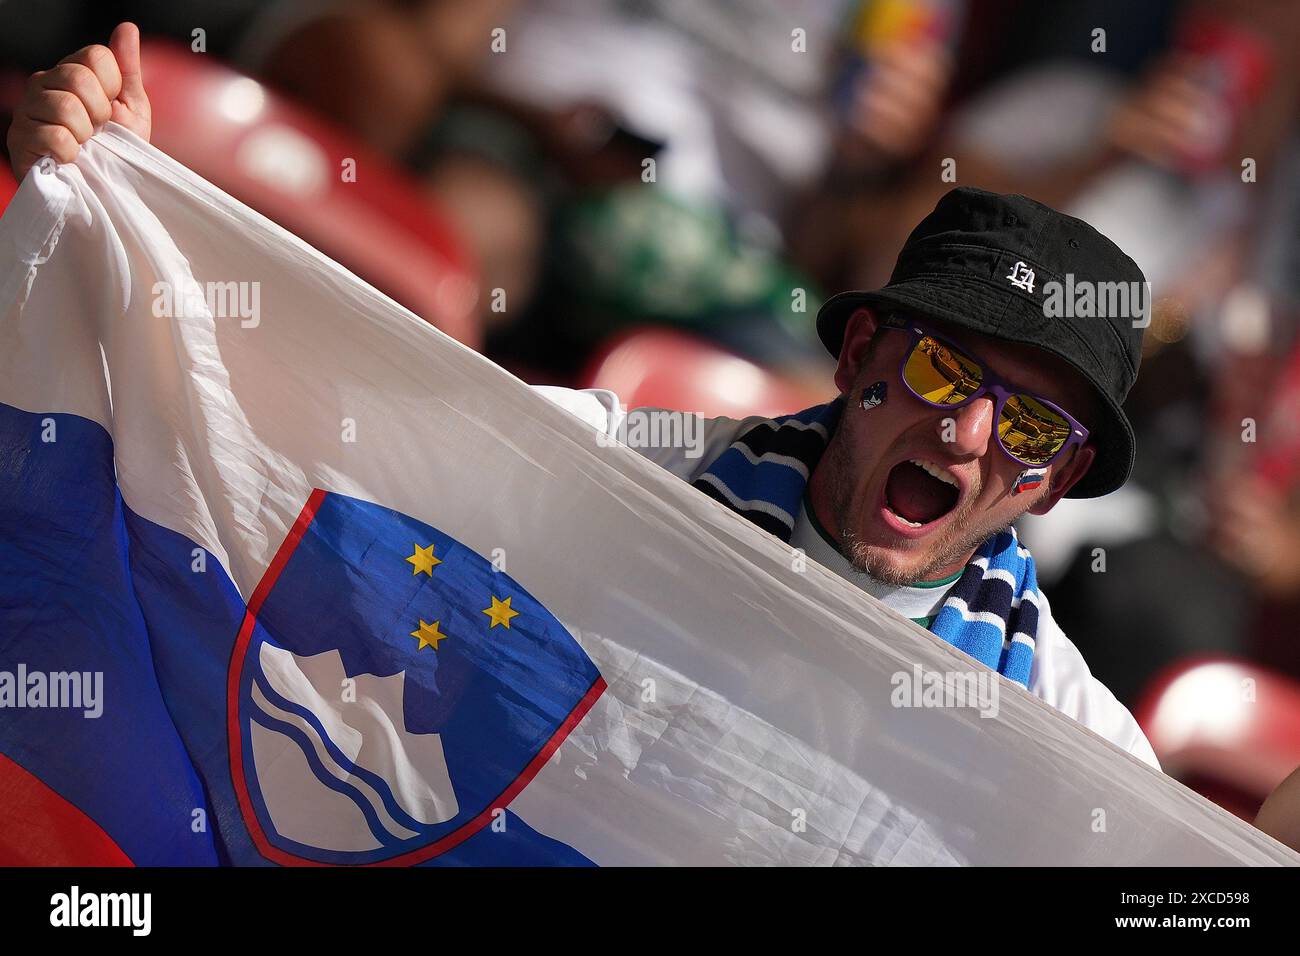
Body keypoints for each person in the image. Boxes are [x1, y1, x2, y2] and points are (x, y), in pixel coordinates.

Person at [6, 23, 1160, 769]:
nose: (963, 431)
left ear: (1053, 481)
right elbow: (294, 427)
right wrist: (131, 214)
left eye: (1026, 426)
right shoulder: (626, 469)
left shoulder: (1071, 746)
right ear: (858, 353)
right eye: (941, 370)